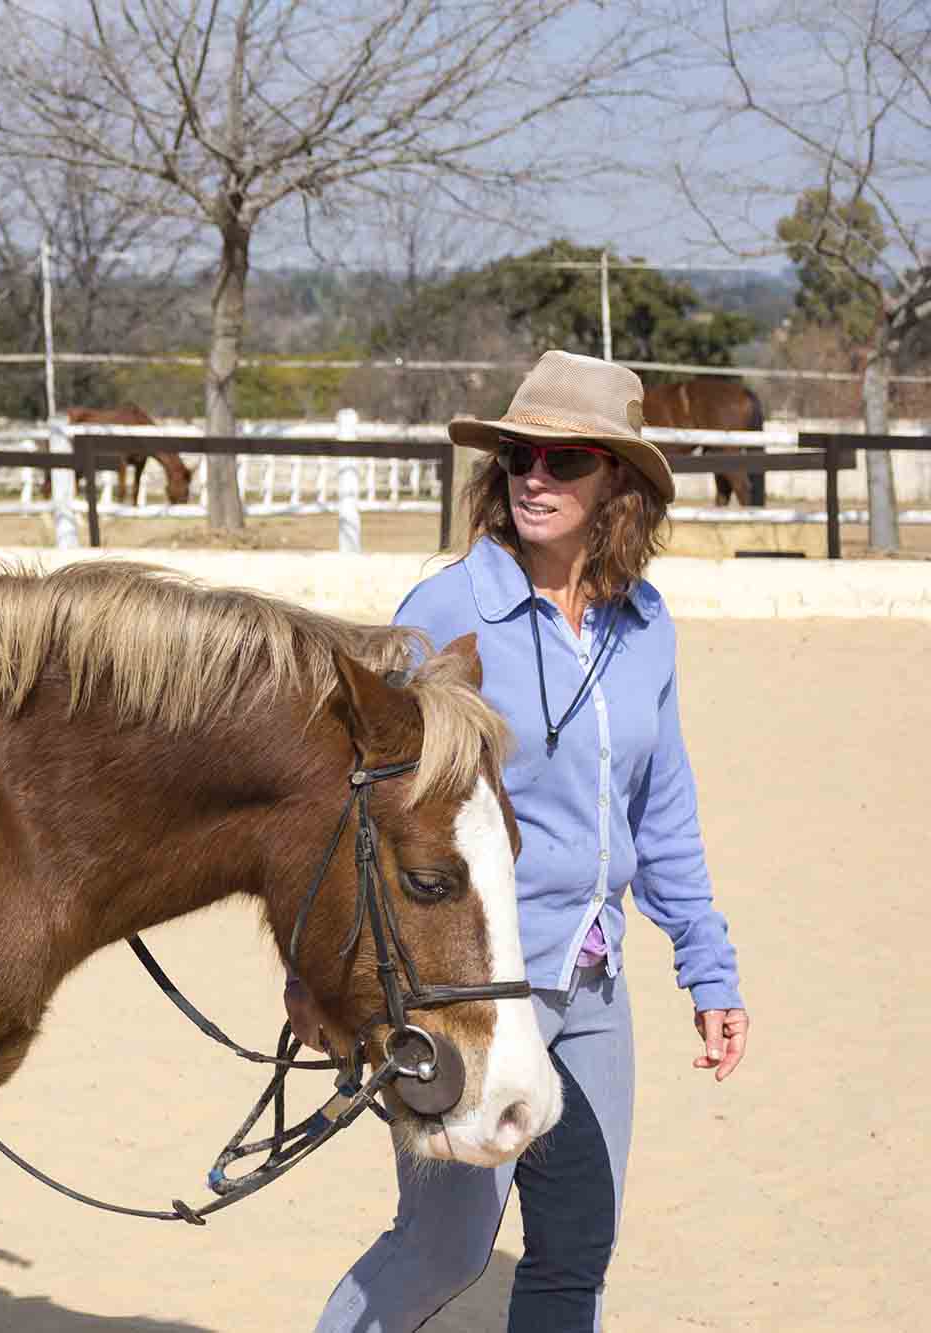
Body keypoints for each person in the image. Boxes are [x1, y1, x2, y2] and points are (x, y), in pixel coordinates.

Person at [313, 350, 750, 1331]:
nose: (535, 479)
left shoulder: (644, 626)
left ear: (619, 486)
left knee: (574, 1249)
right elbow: (371, 805)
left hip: (591, 983)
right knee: (446, 1246)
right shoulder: (445, 614)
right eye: (518, 458)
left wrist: (706, 966)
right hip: (467, 987)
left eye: (564, 460)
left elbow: (659, 805)